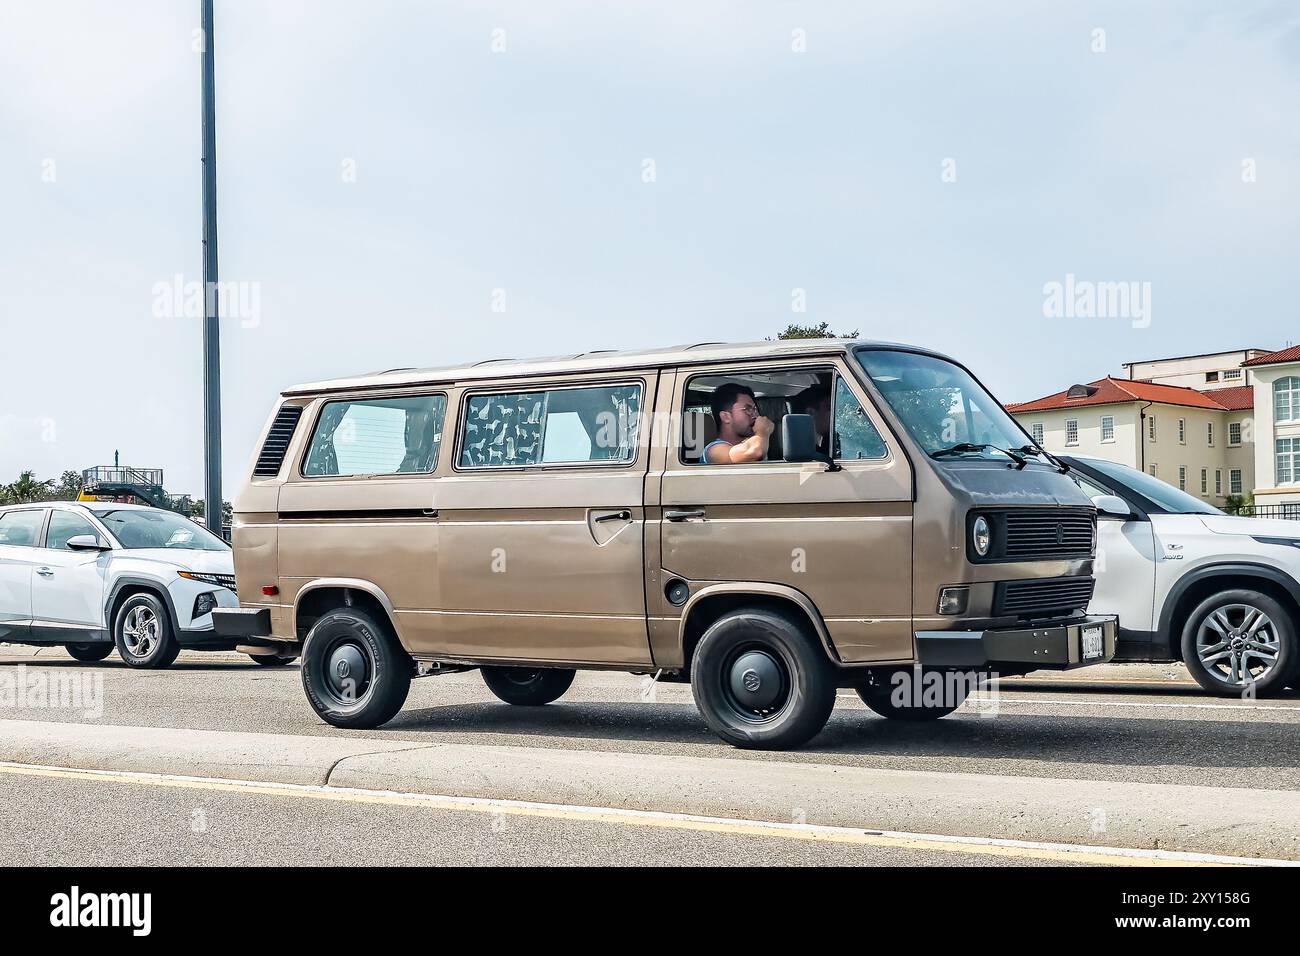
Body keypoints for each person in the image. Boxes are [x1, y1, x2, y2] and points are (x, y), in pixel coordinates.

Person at [701, 383, 774, 464]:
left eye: (755, 409)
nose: (755, 415)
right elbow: (754, 452)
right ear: (726, 417)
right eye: (747, 409)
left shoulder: (748, 443)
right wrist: (762, 431)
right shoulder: (713, 450)